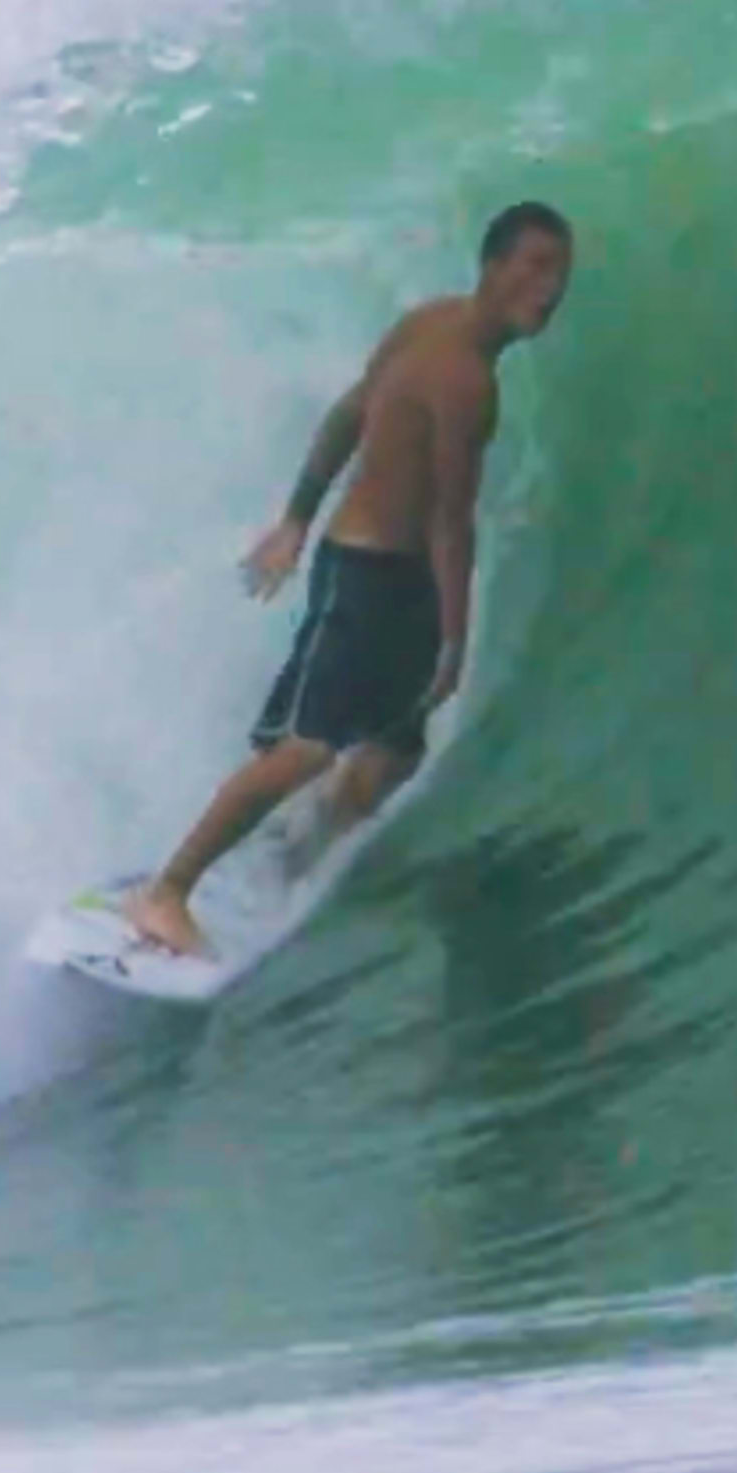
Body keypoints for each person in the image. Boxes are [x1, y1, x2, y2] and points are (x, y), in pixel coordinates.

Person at [121, 202, 577, 956]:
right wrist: (454, 641)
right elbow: (450, 520)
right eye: (535, 267)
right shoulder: (467, 381)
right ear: (492, 266)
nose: (551, 287)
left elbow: (349, 413)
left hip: (397, 579)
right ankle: (168, 890)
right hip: (365, 573)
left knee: (397, 748)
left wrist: (296, 518)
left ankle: (290, 859)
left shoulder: (428, 321)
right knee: (307, 750)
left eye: (561, 272)